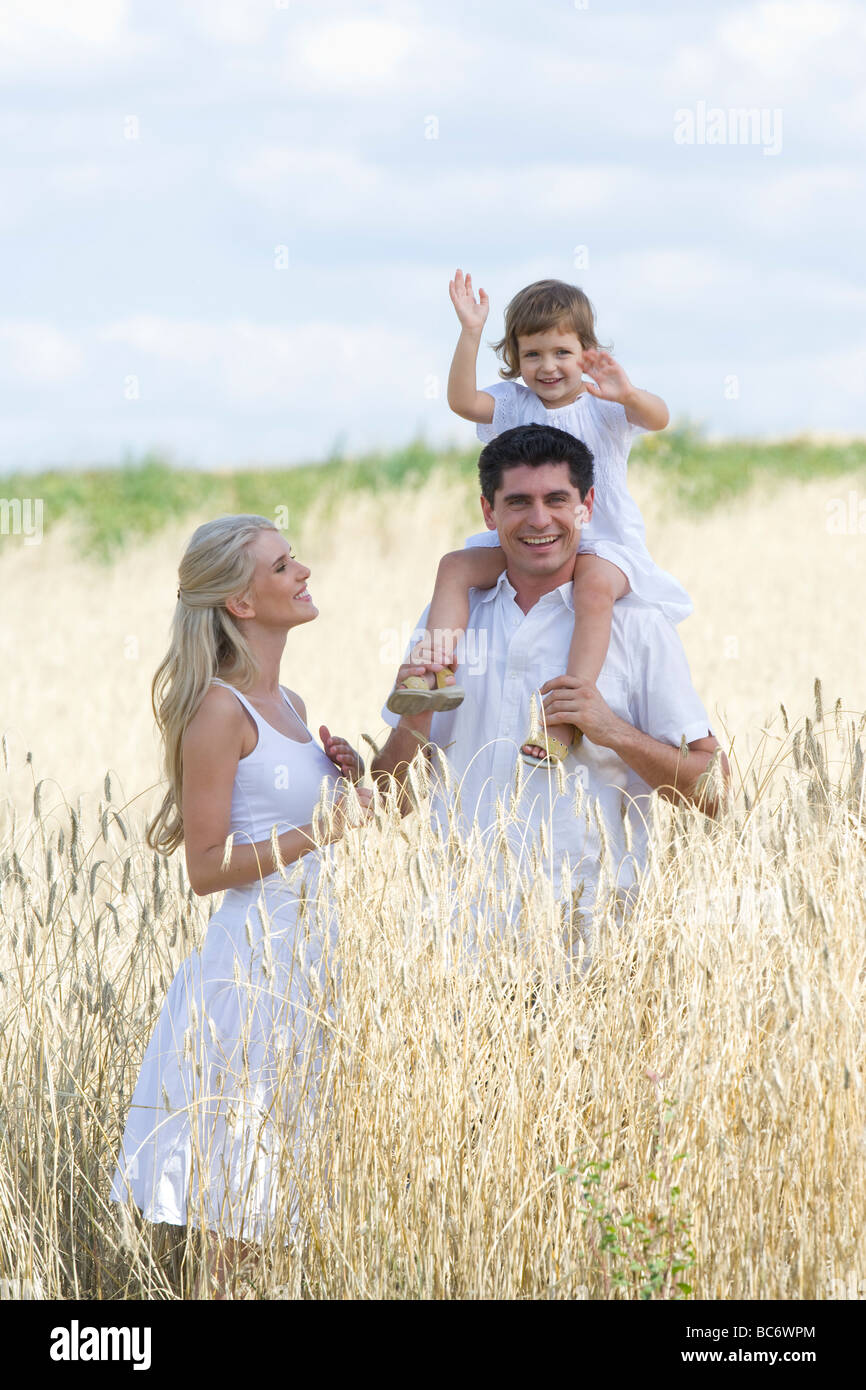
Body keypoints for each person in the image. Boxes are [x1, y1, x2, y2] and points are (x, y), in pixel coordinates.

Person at [110, 515, 373, 1297]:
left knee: (279, 1220)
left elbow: (306, 828)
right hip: (252, 984)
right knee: (238, 1227)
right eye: (284, 565)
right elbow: (205, 866)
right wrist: (316, 828)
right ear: (242, 601)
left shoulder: (287, 699)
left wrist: (346, 779)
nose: (304, 572)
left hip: (310, 972)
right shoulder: (220, 711)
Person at [374, 425, 728, 948]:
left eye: (556, 499)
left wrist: (612, 731)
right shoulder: (447, 620)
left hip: (594, 939)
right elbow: (389, 800)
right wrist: (415, 718)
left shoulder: (637, 628)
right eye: (518, 502)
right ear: (488, 512)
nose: (539, 519)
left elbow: (715, 793)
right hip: (458, 942)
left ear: (587, 504)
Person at [387, 272, 691, 768]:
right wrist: (469, 333)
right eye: (532, 355)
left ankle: (565, 719)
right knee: (455, 566)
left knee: (593, 592)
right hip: (527, 543)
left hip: (601, 544)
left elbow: (659, 418)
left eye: (561, 353)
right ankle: (434, 674)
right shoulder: (511, 405)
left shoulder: (605, 405)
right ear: (514, 359)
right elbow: (462, 401)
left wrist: (629, 393)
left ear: (587, 352)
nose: (547, 367)